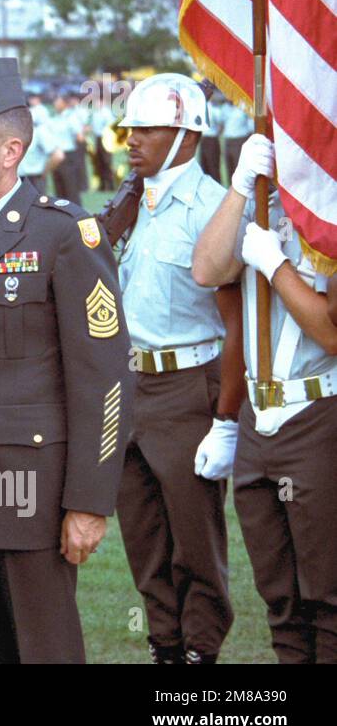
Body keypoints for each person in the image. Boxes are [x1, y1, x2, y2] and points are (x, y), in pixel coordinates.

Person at [0, 57, 134, 663]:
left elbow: (104, 379)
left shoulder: (64, 234)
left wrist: (89, 502)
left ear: (12, 150)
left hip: (31, 490)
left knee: (44, 648)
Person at [114, 74, 245, 664]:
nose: (131, 140)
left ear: (187, 135)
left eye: (146, 129)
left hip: (189, 384)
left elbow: (234, 319)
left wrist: (226, 419)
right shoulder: (127, 204)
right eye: (130, 128)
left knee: (195, 536)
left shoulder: (214, 208)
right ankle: (164, 645)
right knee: (142, 535)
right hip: (129, 385)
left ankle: (200, 654)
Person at [192, 133, 337, 664]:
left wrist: (276, 265)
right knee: (280, 598)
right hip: (259, 417)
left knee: (327, 595)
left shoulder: (330, 213)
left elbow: (333, 334)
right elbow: (208, 269)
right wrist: (237, 188)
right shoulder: (260, 207)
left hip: (319, 410)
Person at [198, 84, 225, 186]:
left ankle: (217, 188)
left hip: (212, 139)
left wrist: (215, 134)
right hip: (203, 139)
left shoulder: (215, 109)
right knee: (204, 166)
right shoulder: (201, 106)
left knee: (213, 166)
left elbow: (221, 125)